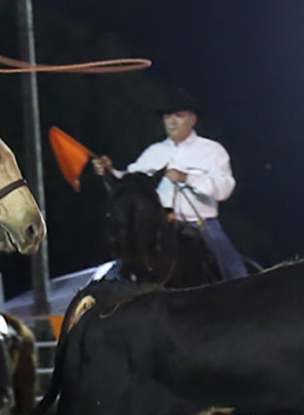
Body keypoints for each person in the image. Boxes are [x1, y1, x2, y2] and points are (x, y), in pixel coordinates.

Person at [91, 92, 248, 280]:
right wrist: (109, 171)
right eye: (168, 117)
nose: (172, 121)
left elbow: (225, 189)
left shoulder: (212, 150)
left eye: (179, 116)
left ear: (193, 119)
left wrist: (187, 178)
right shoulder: (154, 152)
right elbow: (131, 180)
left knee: (235, 271)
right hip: (158, 225)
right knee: (120, 269)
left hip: (201, 225)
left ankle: (247, 298)